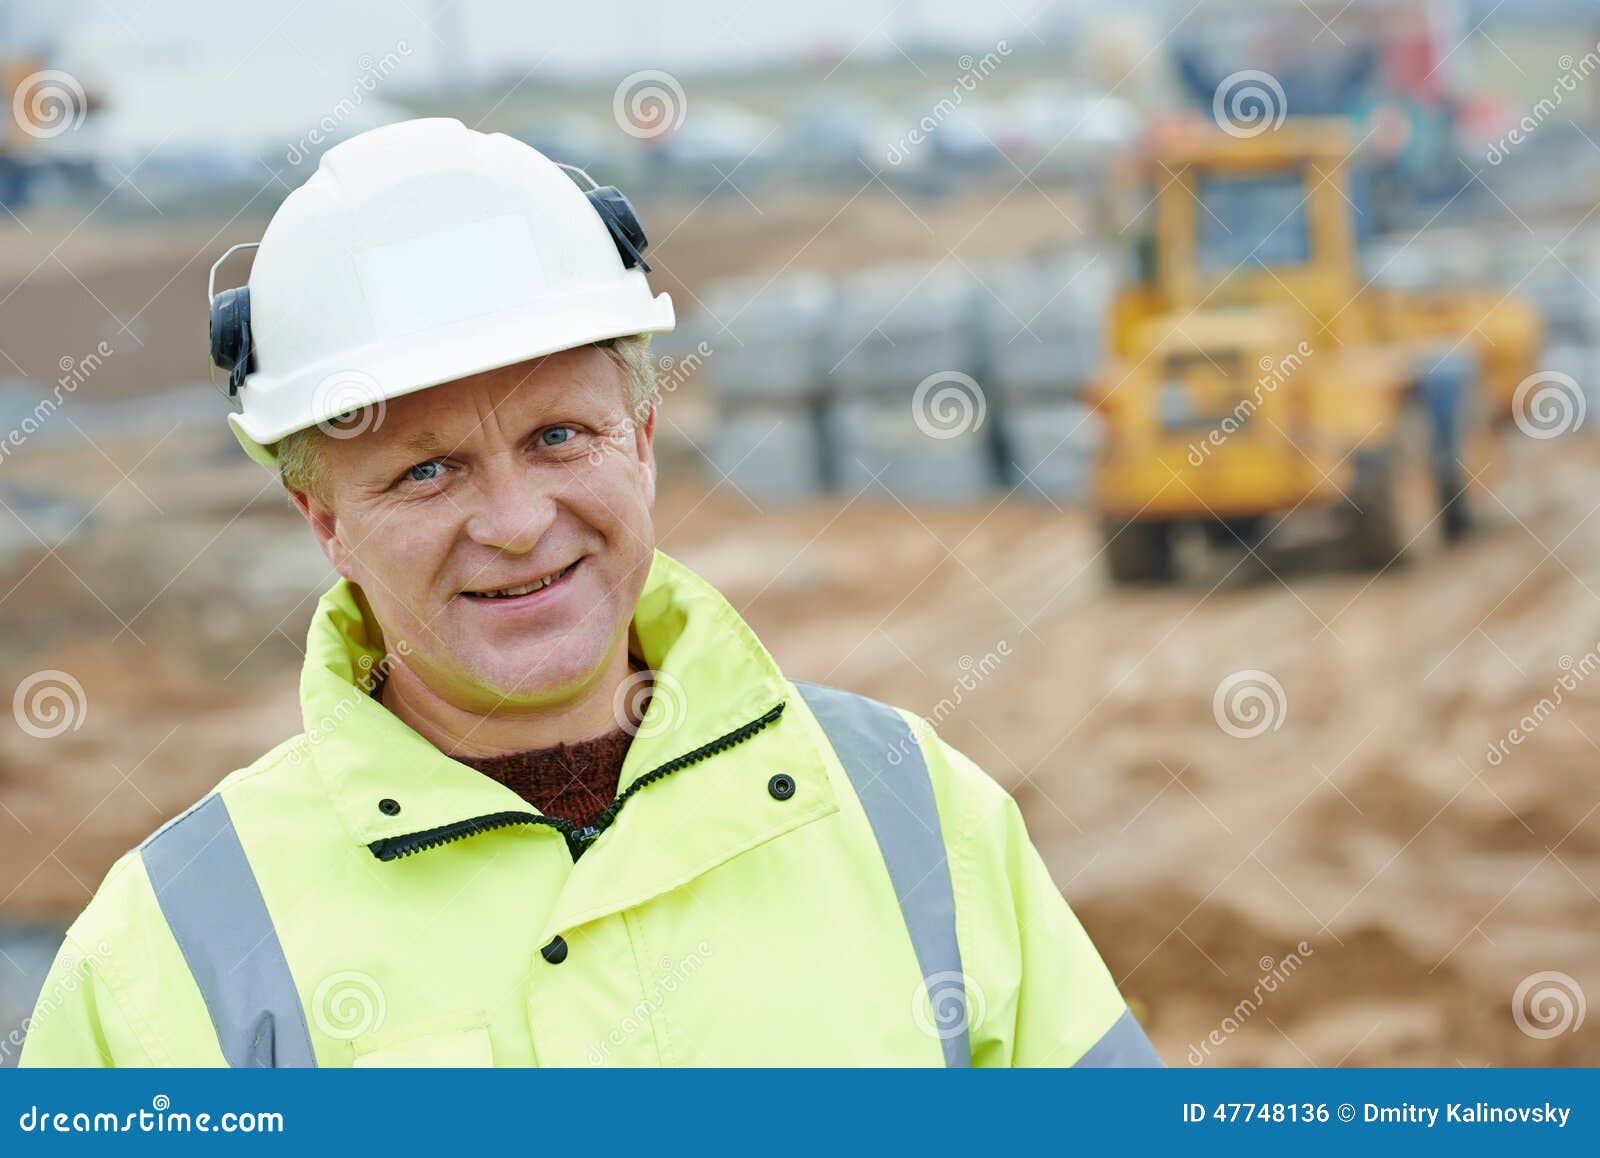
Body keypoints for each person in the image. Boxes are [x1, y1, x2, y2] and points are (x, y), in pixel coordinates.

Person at [20, 118, 1160, 1068]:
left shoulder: (913, 812)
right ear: (324, 519)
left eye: (558, 436)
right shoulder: (169, 954)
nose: (516, 523)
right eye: (426, 471)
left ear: (644, 441)